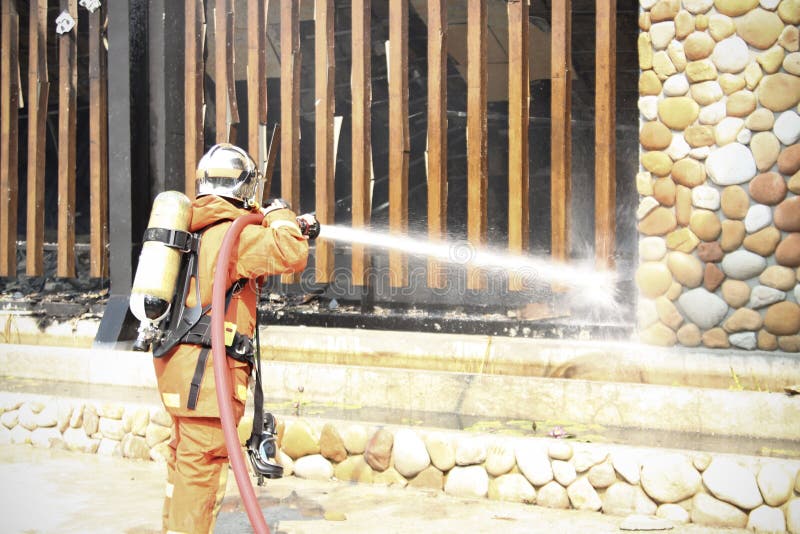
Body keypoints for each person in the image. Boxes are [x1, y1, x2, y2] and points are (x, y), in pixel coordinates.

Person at [152, 143, 313, 533]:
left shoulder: (196, 227)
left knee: (183, 463)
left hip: (178, 373)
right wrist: (279, 212)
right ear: (245, 188)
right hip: (206, 383)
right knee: (201, 470)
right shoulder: (234, 234)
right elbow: (291, 253)